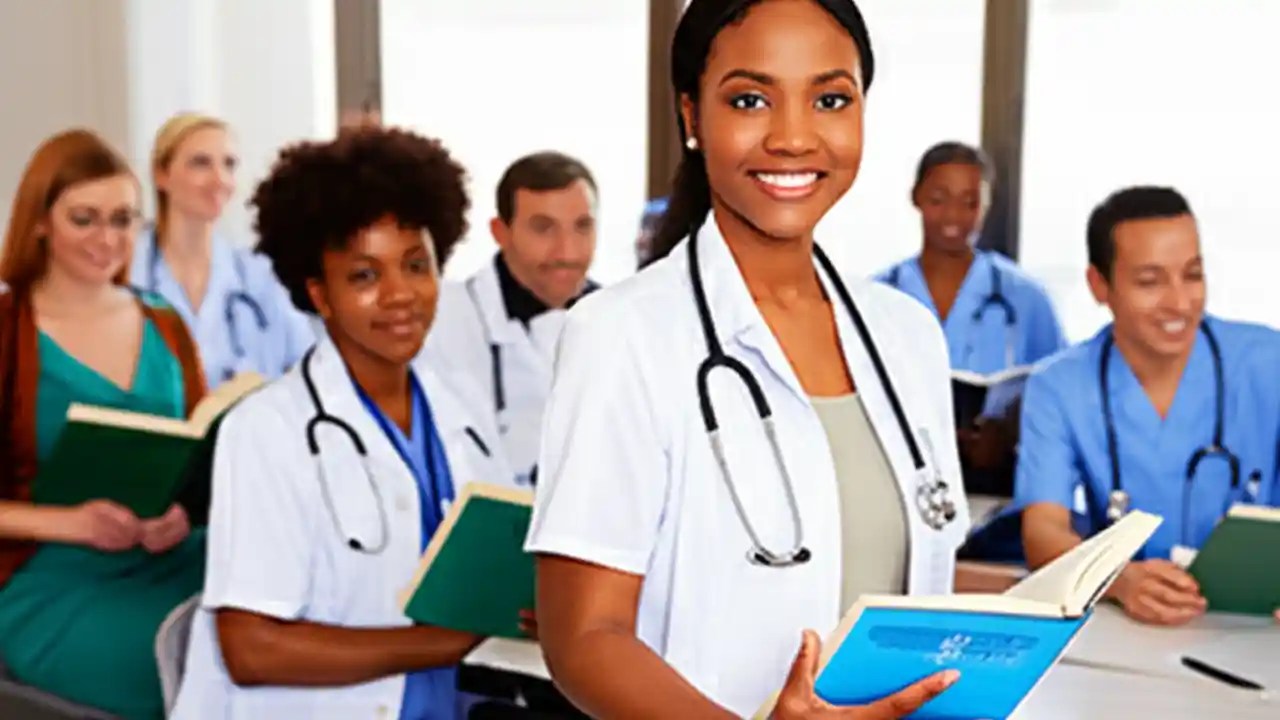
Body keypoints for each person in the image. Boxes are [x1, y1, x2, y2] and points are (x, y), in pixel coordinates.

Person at [524, 1, 971, 717]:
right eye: (750, 100)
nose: (794, 138)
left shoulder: (907, 336)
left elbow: (900, 570)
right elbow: (584, 635)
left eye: (829, 99)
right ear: (692, 117)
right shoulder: (621, 332)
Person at [171, 126, 518, 719]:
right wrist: (441, 643)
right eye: (364, 275)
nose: (400, 294)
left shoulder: (459, 407)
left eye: (416, 264)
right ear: (319, 294)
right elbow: (250, 649)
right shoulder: (268, 432)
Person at [0, 129, 206, 719]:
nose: (107, 239)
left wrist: (182, 514)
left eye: (123, 220)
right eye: (84, 219)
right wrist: (73, 524)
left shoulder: (164, 322)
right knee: (173, 664)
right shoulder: (8, 331)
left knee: (279, 627)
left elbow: (201, 451)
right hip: (54, 579)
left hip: (172, 551)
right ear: (41, 222)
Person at [1015, 186, 1280, 626]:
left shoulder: (1267, 362)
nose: (1179, 302)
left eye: (1192, 275)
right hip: (1132, 630)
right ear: (1099, 285)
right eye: (1150, 282)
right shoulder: (1059, 386)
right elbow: (1042, 532)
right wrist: (1116, 580)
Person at [875, 142, 1067, 497]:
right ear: (915, 197)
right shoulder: (877, 298)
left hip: (997, 488)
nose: (953, 215)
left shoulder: (1026, 298)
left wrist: (1008, 430)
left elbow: (1060, 393)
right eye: (938, 198)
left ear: (987, 204)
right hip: (898, 485)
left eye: (970, 202)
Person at [423, 151, 598, 486]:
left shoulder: (619, 321)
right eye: (543, 228)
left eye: (582, 227)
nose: (567, 252)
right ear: (500, 232)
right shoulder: (445, 320)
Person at [130, 112, 314, 387]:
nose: (220, 179)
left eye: (229, 165)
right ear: (161, 175)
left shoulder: (258, 277)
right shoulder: (127, 273)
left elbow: (308, 367)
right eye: (200, 163)